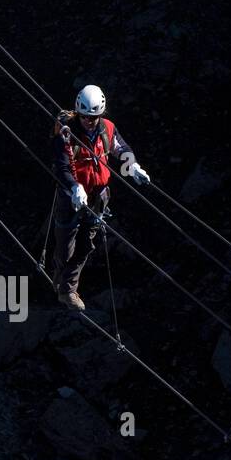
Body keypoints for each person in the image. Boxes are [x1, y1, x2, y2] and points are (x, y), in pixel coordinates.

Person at [50, 84, 151, 310]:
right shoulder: (66, 132)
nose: (89, 121)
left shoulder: (107, 129)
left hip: (98, 198)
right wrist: (74, 186)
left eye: (93, 117)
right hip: (72, 198)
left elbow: (121, 148)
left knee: (86, 245)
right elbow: (62, 165)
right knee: (65, 248)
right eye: (85, 117)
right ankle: (61, 279)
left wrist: (132, 166)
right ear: (79, 113)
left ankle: (68, 290)